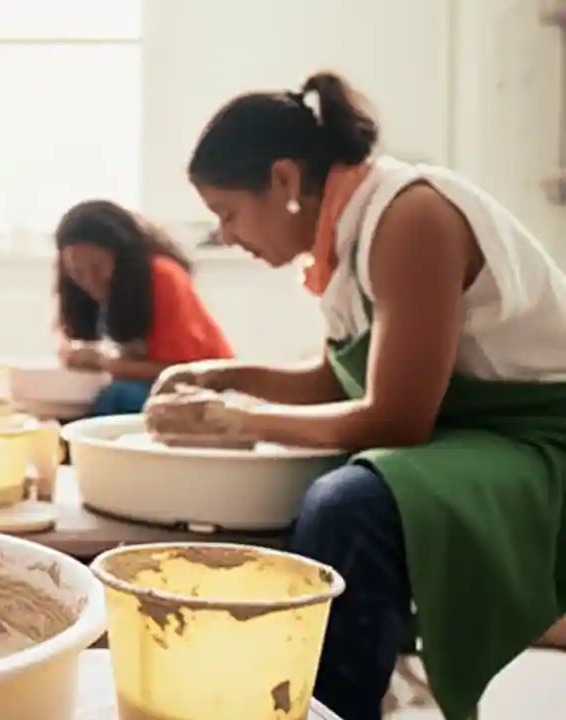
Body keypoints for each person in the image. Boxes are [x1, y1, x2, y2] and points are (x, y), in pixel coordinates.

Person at [145, 71, 566, 720]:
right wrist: (220, 376)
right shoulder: (348, 234)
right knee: (309, 479)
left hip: (541, 440)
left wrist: (240, 419)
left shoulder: (410, 215)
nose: (226, 236)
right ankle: (351, 677)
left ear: (284, 181)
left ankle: (338, 705)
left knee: (348, 502)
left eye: (228, 213)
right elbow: (329, 383)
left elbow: (396, 418)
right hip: (476, 431)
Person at [54, 199, 232, 416]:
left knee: (119, 396)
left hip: (203, 389)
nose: (90, 279)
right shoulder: (79, 293)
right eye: (77, 272)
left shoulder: (163, 276)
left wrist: (105, 362)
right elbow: (70, 345)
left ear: (122, 257)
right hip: (144, 387)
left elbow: (182, 372)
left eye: (98, 267)